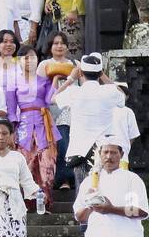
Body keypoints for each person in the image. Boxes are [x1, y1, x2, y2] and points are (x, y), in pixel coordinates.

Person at [53, 52, 125, 191]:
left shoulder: (74, 92)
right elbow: (122, 94)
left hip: (80, 150)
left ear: (81, 73)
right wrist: (102, 75)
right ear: (99, 73)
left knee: (83, 192)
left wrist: (70, 79)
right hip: (104, 149)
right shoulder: (109, 91)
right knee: (105, 190)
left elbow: (53, 98)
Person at [12, 44, 59, 204]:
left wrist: (55, 82)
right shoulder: (14, 82)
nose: (28, 60)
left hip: (43, 122)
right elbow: (11, 109)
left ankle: (45, 199)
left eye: (32, 57)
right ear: (18, 60)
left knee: (47, 162)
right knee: (25, 162)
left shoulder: (44, 80)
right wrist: (12, 129)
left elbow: (49, 100)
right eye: (24, 57)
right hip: (23, 125)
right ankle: (27, 202)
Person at [39, 32, 77, 189]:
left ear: (67, 46)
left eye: (62, 43)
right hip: (50, 109)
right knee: (55, 145)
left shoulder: (75, 64)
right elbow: (40, 89)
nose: (59, 46)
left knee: (66, 143)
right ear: (50, 47)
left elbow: (82, 84)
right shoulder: (44, 65)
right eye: (55, 43)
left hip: (70, 109)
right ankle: (54, 179)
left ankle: (66, 179)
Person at [0, 29, 21, 112]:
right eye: (5, 41)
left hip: (18, 111)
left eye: (12, 42)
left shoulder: (21, 64)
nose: (9, 44)